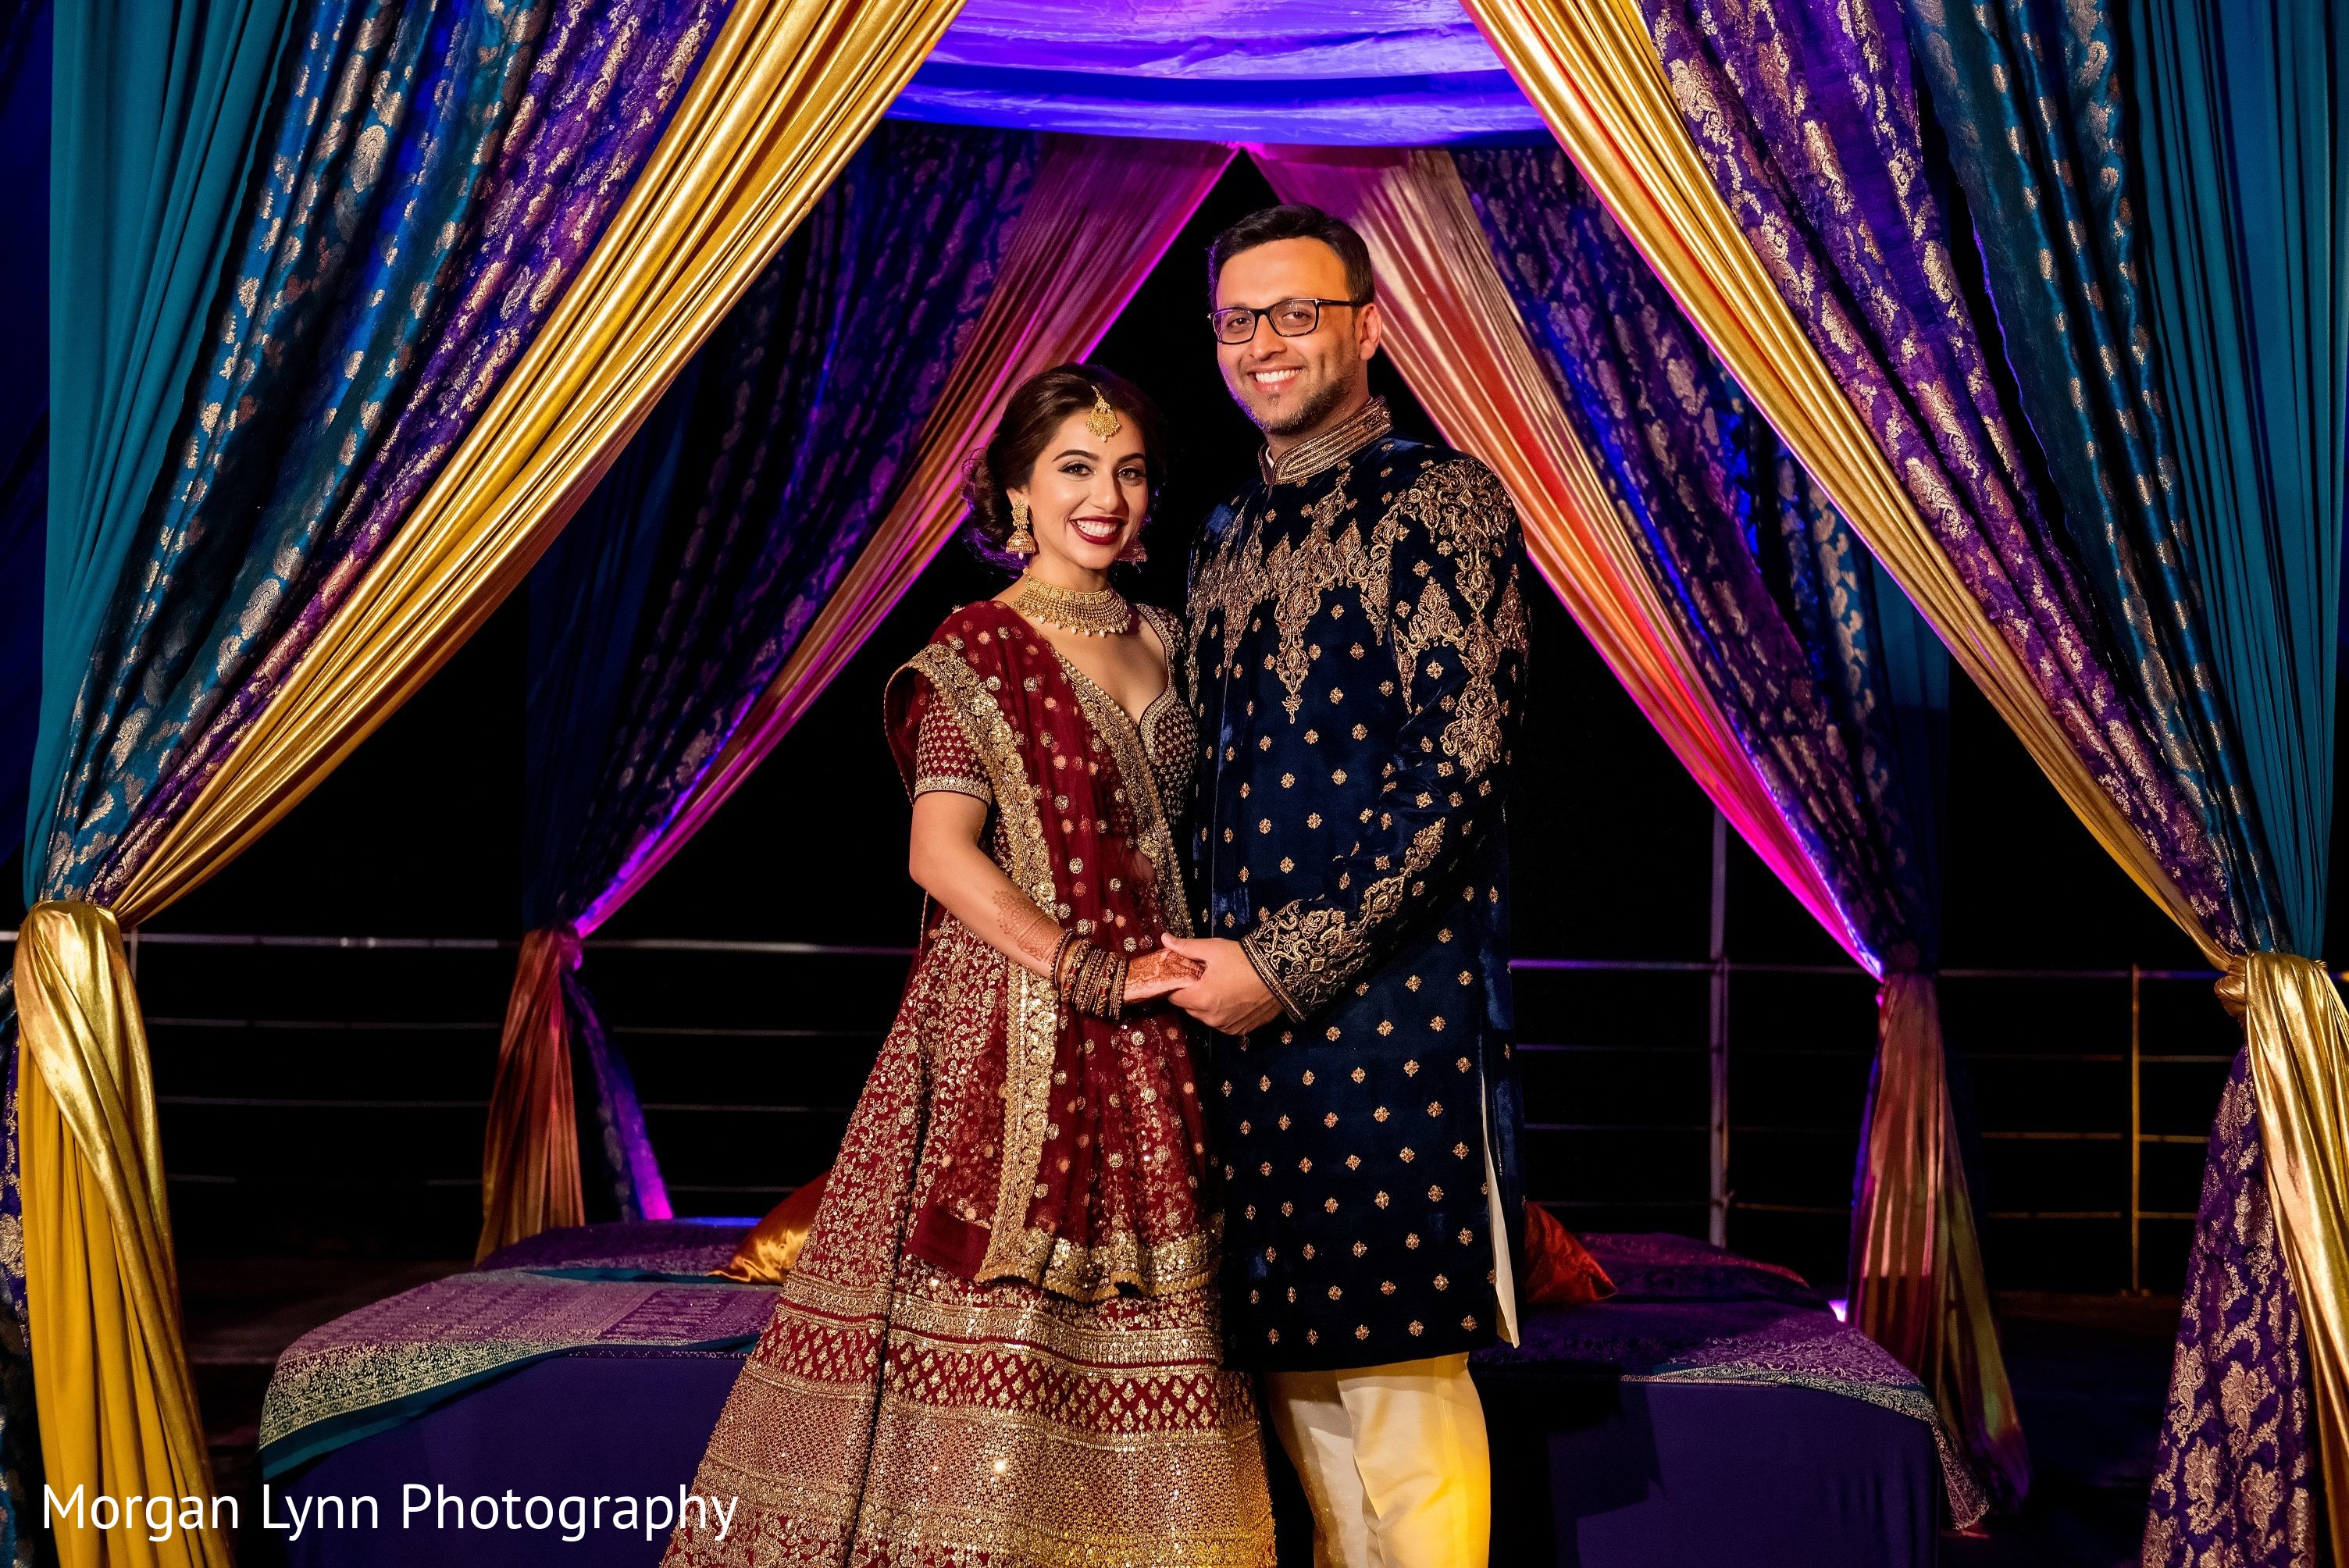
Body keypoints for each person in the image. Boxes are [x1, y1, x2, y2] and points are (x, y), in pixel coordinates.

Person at [665, 365, 1276, 1567]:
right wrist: (1083, 968)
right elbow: (937, 855)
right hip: (1017, 1022)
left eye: (1131, 471)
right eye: (1076, 470)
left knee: (1158, 1317)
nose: (1107, 497)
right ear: (1015, 493)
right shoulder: (977, 651)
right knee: (997, 1318)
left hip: (1164, 1023)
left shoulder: (1166, 635)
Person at [1164, 205, 1532, 1568]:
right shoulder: (1220, 535)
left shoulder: (1442, 503)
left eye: (1296, 314)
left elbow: (1463, 766)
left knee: (1401, 1405)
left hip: (1395, 1022)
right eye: (1240, 320)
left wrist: (1289, 963)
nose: (1265, 343)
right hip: (1245, 1036)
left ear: (1367, 326)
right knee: (1306, 1417)